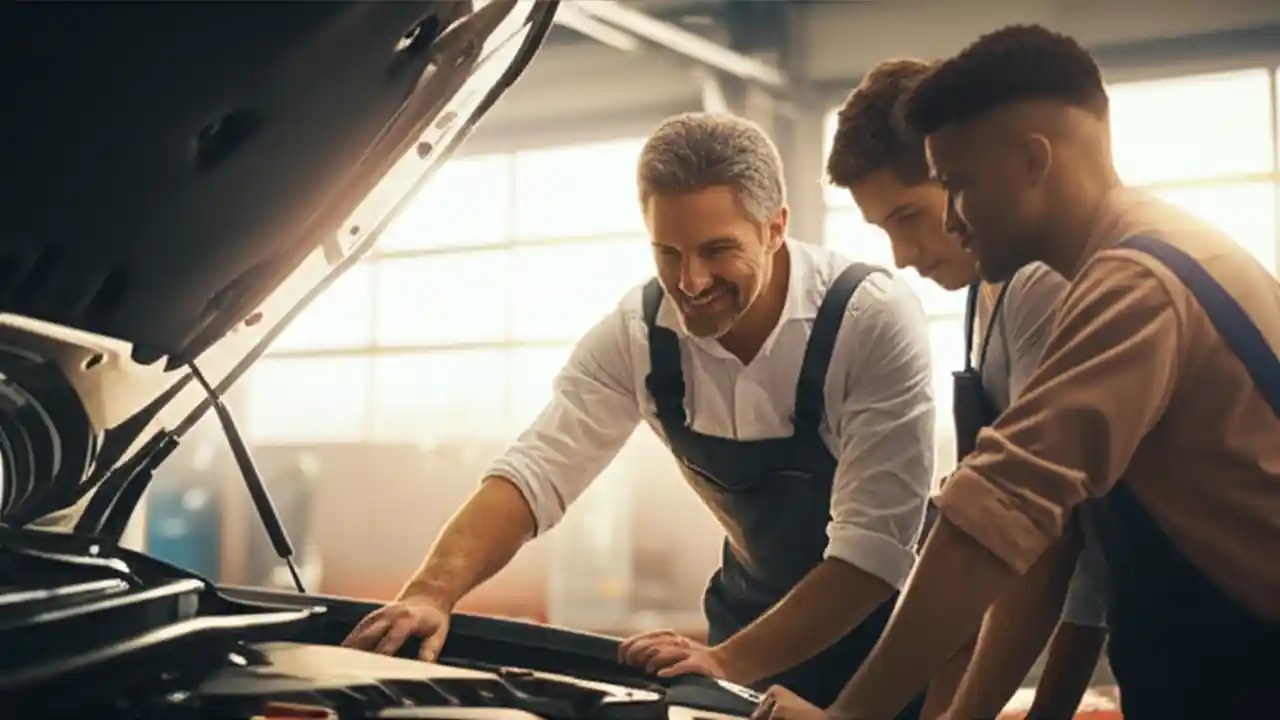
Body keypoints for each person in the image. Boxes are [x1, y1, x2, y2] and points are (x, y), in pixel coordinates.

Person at [754, 24, 1280, 720]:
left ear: (1035, 160)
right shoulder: (1142, 254)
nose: (954, 220)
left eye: (959, 186)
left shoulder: (1138, 283)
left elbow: (1000, 515)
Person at [343, 111, 936, 717]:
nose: (691, 281)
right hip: (743, 636)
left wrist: (726, 662)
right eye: (667, 251)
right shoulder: (638, 334)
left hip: (890, 652)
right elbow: (537, 471)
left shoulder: (869, 322)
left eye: (717, 250)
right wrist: (430, 593)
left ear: (775, 228)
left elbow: (875, 552)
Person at [823, 57, 1108, 719]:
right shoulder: (988, 291)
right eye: (883, 228)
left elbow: (1052, 544)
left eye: (909, 216)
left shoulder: (1041, 285)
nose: (901, 253)